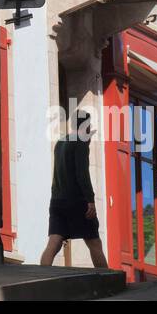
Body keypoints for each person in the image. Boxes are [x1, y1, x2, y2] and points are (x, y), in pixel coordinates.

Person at [39, 108, 109, 268]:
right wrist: (90, 200)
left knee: (54, 242)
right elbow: (82, 173)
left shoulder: (60, 143)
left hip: (57, 200)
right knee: (94, 242)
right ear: (86, 125)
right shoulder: (80, 142)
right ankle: (107, 278)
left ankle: (41, 275)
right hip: (77, 200)